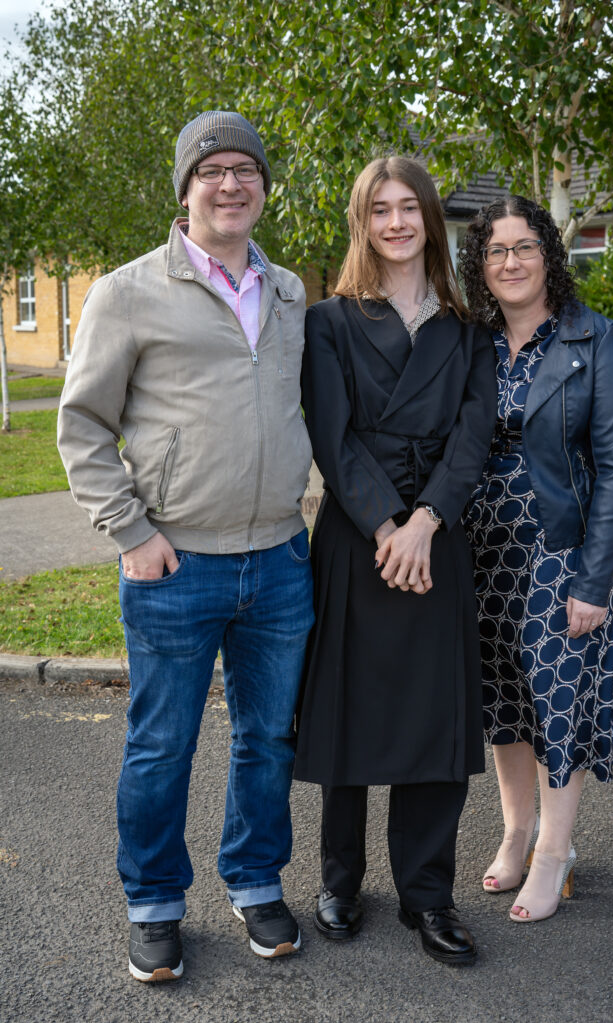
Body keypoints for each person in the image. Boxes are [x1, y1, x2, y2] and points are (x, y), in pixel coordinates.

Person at [57, 111, 315, 981]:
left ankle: (255, 880)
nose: (230, 184)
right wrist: (131, 532)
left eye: (246, 169)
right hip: (172, 564)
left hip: (278, 559)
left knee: (267, 739)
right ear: (185, 189)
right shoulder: (127, 292)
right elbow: (82, 426)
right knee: (162, 744)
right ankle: (154, 902)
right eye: (212, 171)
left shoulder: (289, 293)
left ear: (264, 186)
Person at [295, 156, 497, 965]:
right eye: (380, 209)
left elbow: (474, 436)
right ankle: (340, 879)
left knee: (432, 716)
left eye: (409, 207)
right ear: (362, 222)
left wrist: (426, 522)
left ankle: (428, 893)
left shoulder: (468, 327)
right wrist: (387, 525)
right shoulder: (330, 320)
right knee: (348, 709)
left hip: (438, 534)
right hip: (358, 533)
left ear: (430, 219)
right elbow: (330, 434)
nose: (396, 222)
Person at [458, 196, 613, 923]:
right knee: (504, 698)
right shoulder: (473, 342)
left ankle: (555, 852)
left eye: (524, 246)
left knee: (558, 698)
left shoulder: (595, 339)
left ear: (548, 254)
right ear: (480, 265)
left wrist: (596, 577)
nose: (511, 262)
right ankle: (516, 831)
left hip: (558, 549)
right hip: (483, 551)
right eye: (496, 251)